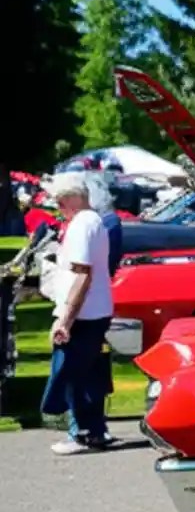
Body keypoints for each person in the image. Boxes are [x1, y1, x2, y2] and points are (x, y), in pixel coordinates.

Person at [39, 174, 116, 454]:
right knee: (89, 375)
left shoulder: (83, 225)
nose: (58, 206)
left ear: (73, 197)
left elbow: (82, 275)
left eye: (60, 200)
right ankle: (94, 432)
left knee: (71, 375)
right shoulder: (92, 222)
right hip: (94, 311)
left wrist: (65, 320)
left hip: (84, 314)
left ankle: (82, 432)